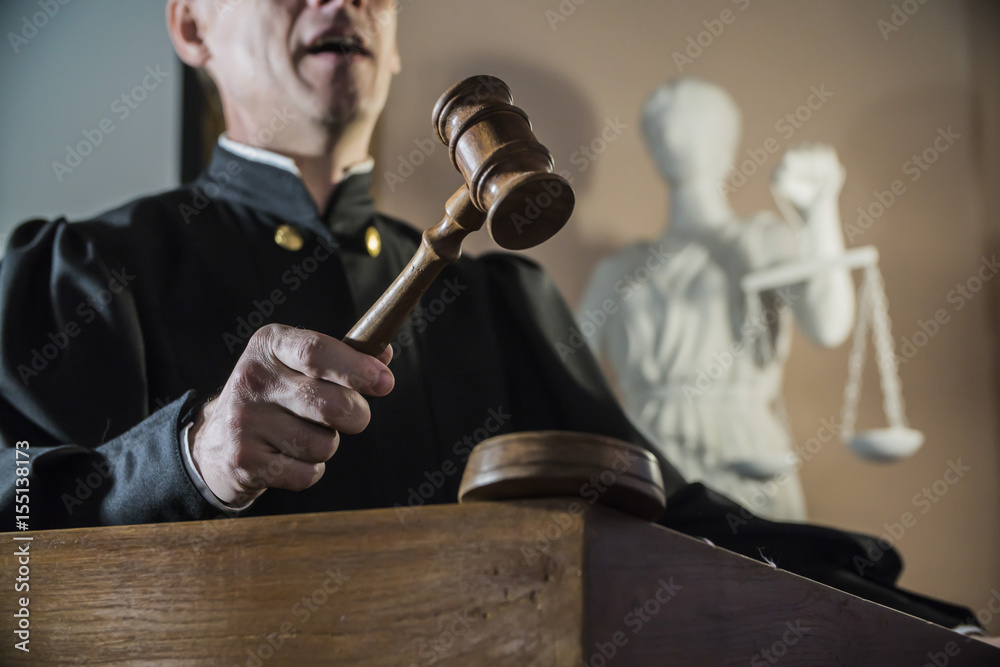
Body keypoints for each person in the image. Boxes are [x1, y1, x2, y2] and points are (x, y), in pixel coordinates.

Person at [0, 0, 987, 636]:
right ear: (190, 27)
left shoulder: (495, 294)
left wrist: (925, 618)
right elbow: (13, 500)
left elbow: (683, 518)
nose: (342, 0)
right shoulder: (84, 269)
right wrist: (190, 457)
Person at [577, 78, 855, 521]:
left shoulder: (761, 240)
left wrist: (819, 214)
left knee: (755, 583)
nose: (673, 137)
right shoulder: (619, 270)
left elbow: (830, 324)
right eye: (663, 128)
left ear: (727, 146)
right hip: (645, 457)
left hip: (743, 451)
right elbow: (567, 375)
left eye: (694, 126)